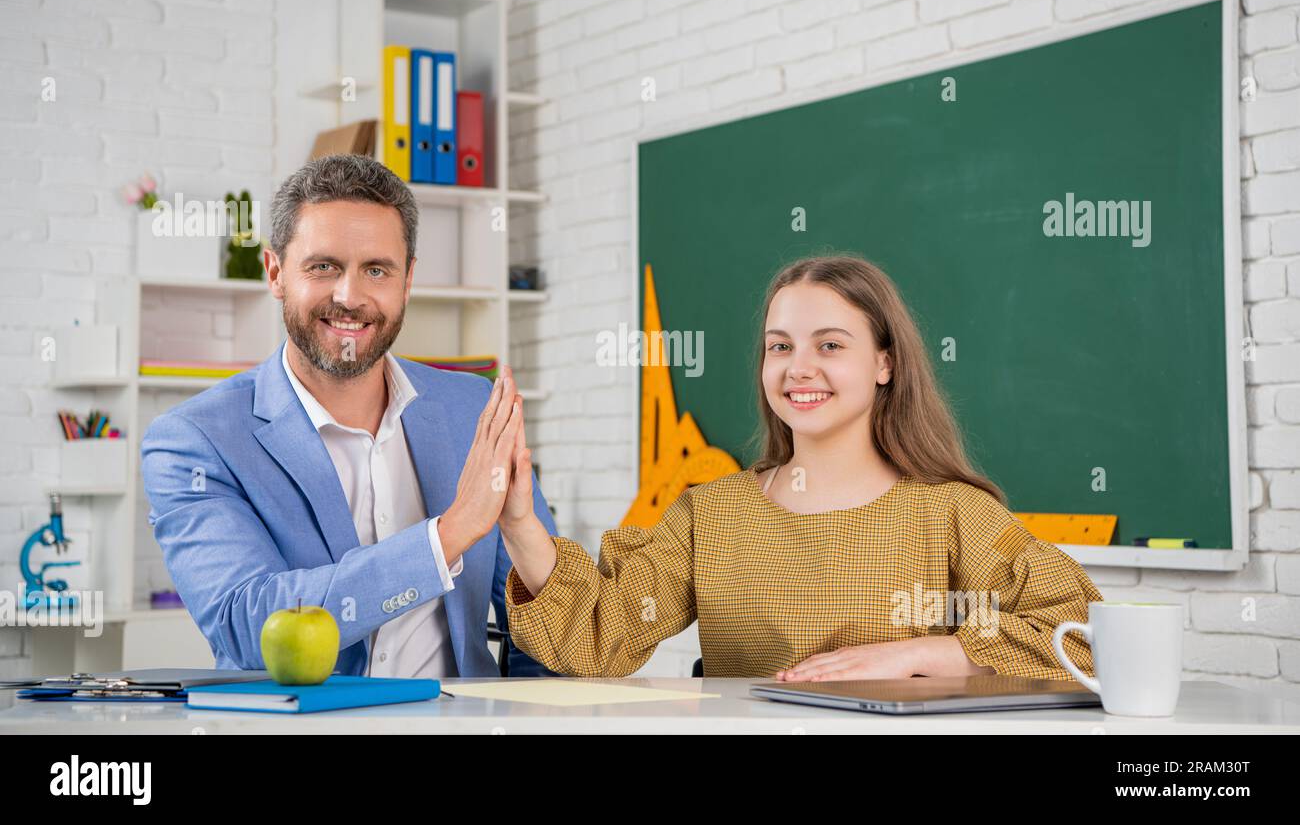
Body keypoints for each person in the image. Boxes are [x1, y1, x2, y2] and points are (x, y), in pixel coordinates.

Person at [493, 254, 1104, 680]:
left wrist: (923, 653)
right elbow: (598, 639)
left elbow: (1082, 637)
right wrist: (519, 521)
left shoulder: (952, 514)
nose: (798, 367)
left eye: (830, 345)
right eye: (780, 346)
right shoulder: (711, 513)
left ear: (884, 364)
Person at [141, 153, 556, 677]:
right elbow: (246, 624)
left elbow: (547, 620)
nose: (349, 297)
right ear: (275, 273)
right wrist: (447, 536)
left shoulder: (472, 409)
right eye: (323, 267)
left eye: (376, 270)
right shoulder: (195, 440)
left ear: (406, 282)